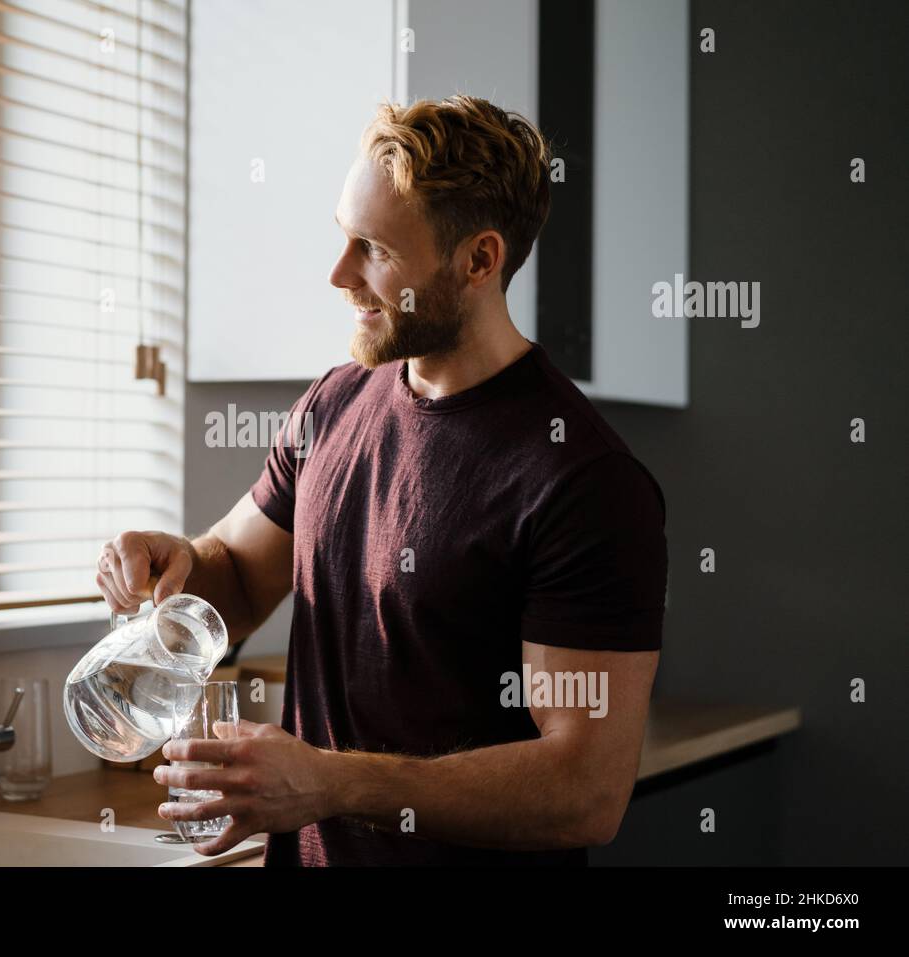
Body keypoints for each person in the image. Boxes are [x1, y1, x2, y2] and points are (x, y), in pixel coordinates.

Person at [95, 95, 668, 866]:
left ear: (479, 260)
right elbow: (233, 575)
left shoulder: (580, 479)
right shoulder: (332, 405)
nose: (339, 274)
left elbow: (585, 788)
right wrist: (178, 562)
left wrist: (330, 784)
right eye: (344, 237)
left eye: (374, 249)